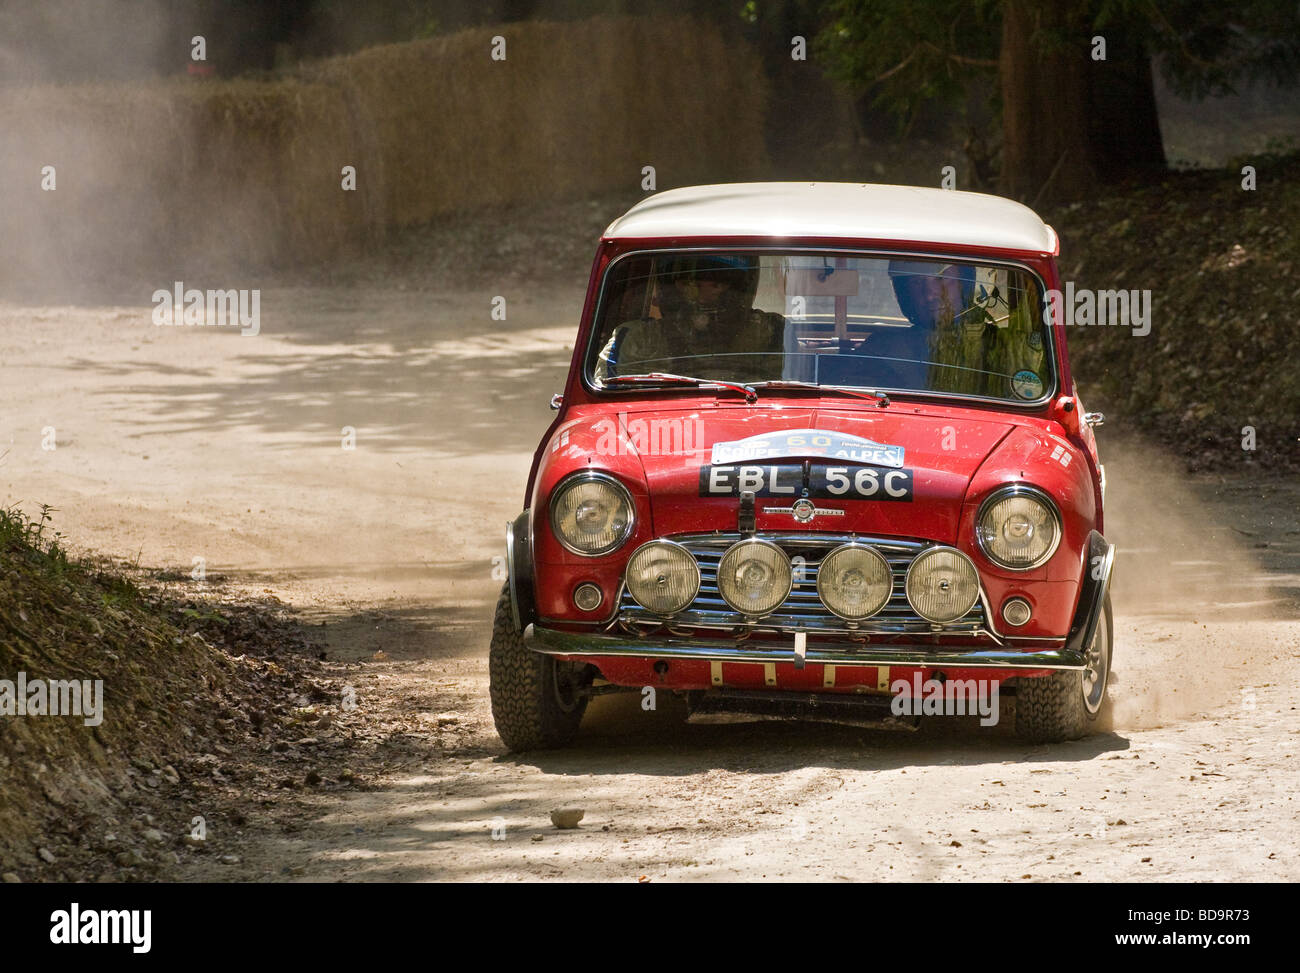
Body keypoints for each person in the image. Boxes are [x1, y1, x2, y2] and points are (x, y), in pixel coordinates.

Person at [595, 256, 784, 384]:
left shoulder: (771, 334)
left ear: (739, 291)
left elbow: (791, 394)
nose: (700, 296)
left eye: (715, 285)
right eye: (686, 284)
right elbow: (607, 399)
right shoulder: (636, 338)